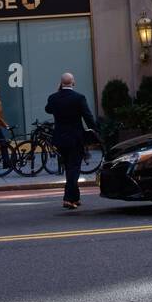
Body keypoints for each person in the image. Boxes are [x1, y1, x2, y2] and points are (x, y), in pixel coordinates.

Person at [45, 72, 97, 210]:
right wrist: (96, 130)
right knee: (74, 168)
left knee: (69, 167)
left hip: (60, 139)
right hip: (75, 138)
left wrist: (58, 92)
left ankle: (75, 198)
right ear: (73, 82)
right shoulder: (79, 98)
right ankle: (68, 198)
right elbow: (88, 116)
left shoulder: (53, 98)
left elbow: (48, 109)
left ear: (61, 83)